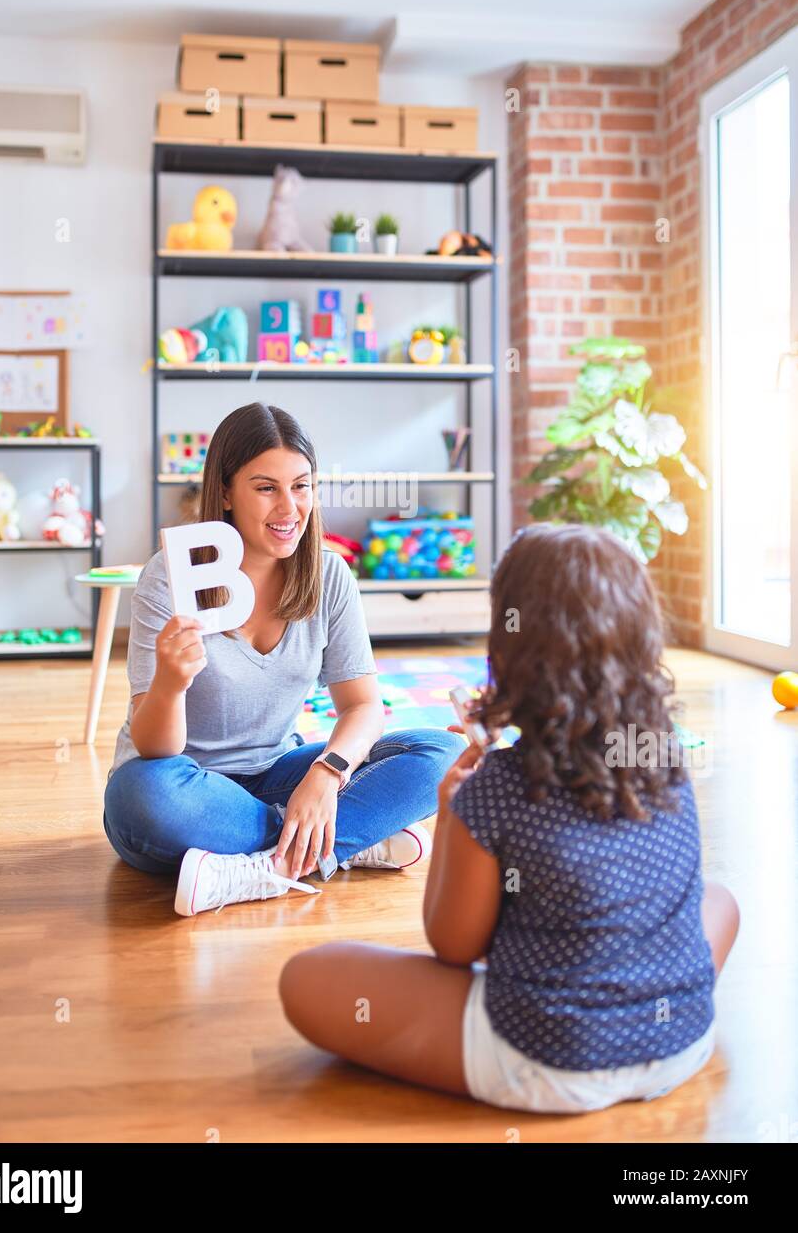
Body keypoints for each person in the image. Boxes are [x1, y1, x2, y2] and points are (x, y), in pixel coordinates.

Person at [280, 523, 740, 1114]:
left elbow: (453, 947)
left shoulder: (496, 788)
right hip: (681, 1042)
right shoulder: (665, 756)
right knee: (720, 901)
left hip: (548, 1060)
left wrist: (451, 811)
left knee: (309, 978)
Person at [103, 402, 461, 916]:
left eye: (302, 486)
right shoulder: (169, 579)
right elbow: (156, 747)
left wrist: (326, 777)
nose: (289, 508)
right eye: (266, 487)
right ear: (225, 491)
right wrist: (169, 685)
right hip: (183, 785)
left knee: (441, 757)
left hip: (276, 771)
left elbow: (363, 708)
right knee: (141, 796)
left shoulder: (330, 576)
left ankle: (259, 868)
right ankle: (336, 845)